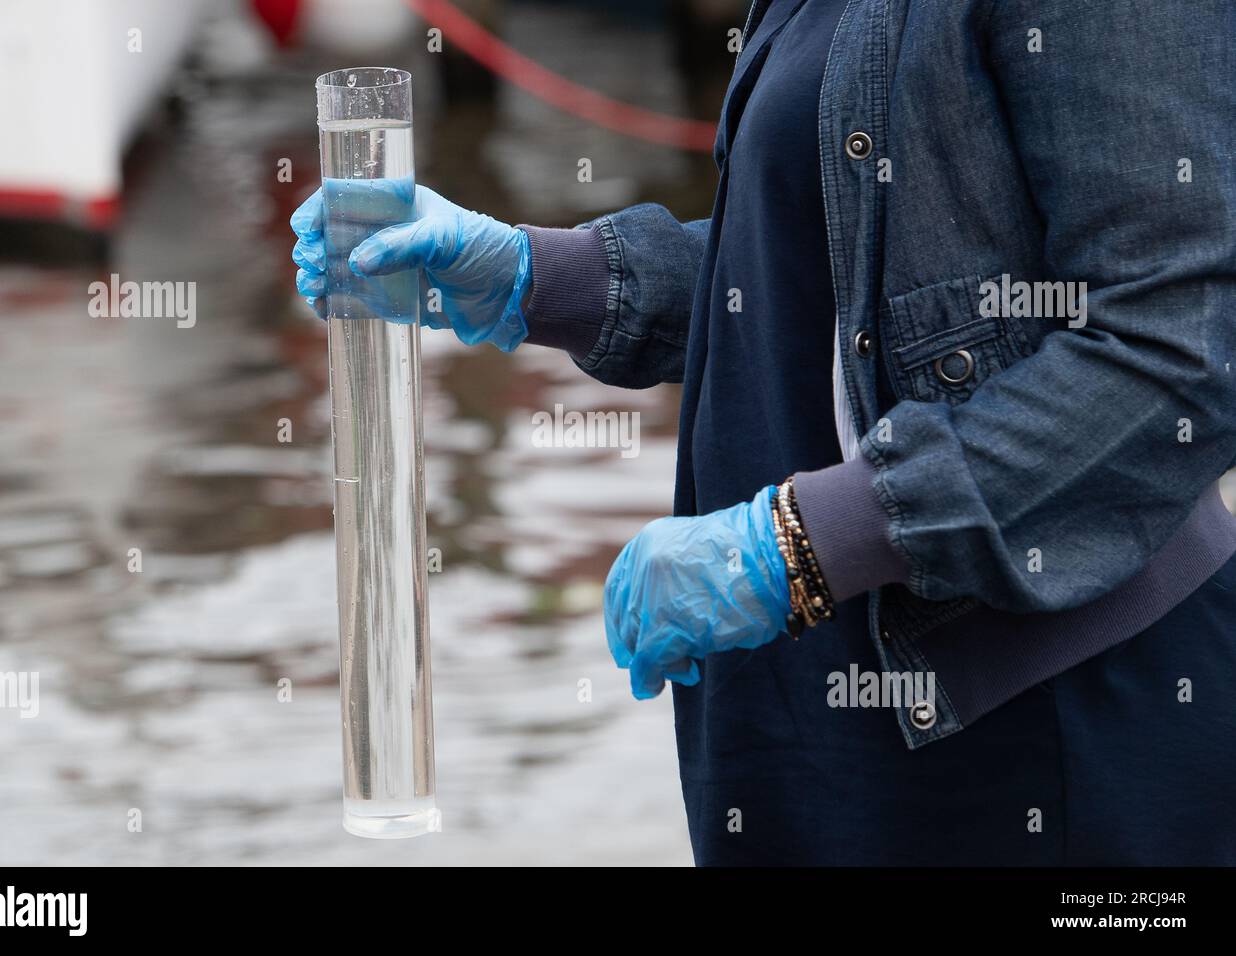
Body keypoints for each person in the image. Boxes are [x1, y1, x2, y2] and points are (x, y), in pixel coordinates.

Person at [292, 0, 1236, 865]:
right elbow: (827, 265)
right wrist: (545, 278)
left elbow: (1182, 348)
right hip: (829, 740)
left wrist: (800, 544)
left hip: (1047, 739)